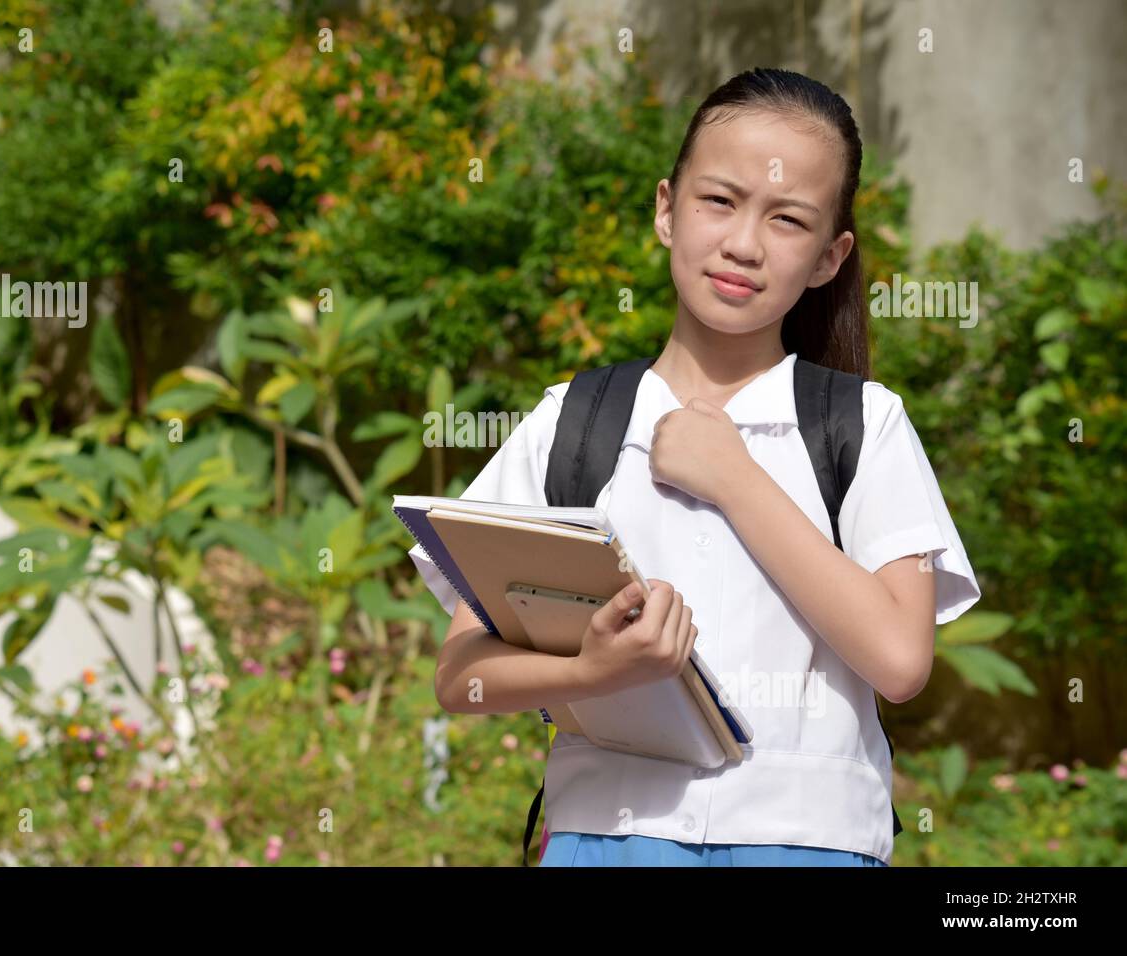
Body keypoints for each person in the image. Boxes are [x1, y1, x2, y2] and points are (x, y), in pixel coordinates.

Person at [412, 67, 981, 867]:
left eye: (788, 220)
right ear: (666, 209)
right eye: (719, 200)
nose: (744, 244)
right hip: (606, 838)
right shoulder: (572, 422)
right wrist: (592, 667)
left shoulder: (862, 423)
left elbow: (899, 660)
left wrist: (736, 479)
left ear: (829, 256)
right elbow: (460, 675)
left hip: (804, 842)